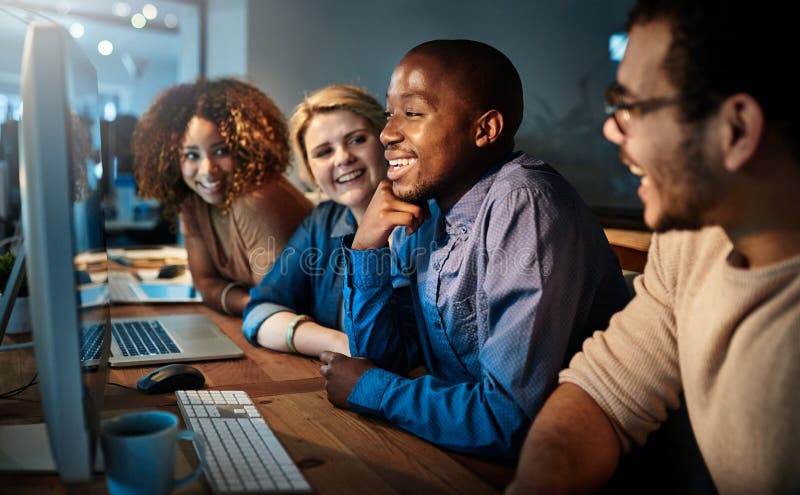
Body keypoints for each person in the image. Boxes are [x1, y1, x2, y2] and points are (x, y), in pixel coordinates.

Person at [506, 1, 800, 493]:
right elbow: (606, 390)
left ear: (736, 131)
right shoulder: (691, 236)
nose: (610, 128)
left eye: (633, 108)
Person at [318, 40, 630, 458]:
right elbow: (383, 360)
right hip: (459, 456)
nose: (387, 133)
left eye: (413, 113)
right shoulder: (424, 212)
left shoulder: (525, 204)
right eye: (390, 113)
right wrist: (366, 246)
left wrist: (376, 391)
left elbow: (509, 419)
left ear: (485, 130)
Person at [133, 78, 311, 316]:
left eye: (220, 151)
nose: (207, 170)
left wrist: (244, 303)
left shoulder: (255, 200)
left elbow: (276, 307)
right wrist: (248, 303)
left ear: (246, 148)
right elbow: (204, 282)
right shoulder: (193, 202)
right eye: (191, 155)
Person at [243, 84, 391, 357]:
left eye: (357, 140)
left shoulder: (426, 223)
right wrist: (339, 345)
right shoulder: (323, 221)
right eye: (324, 152)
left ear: (386, 141)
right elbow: (259, 312)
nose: (343, 158)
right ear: (310, 170)